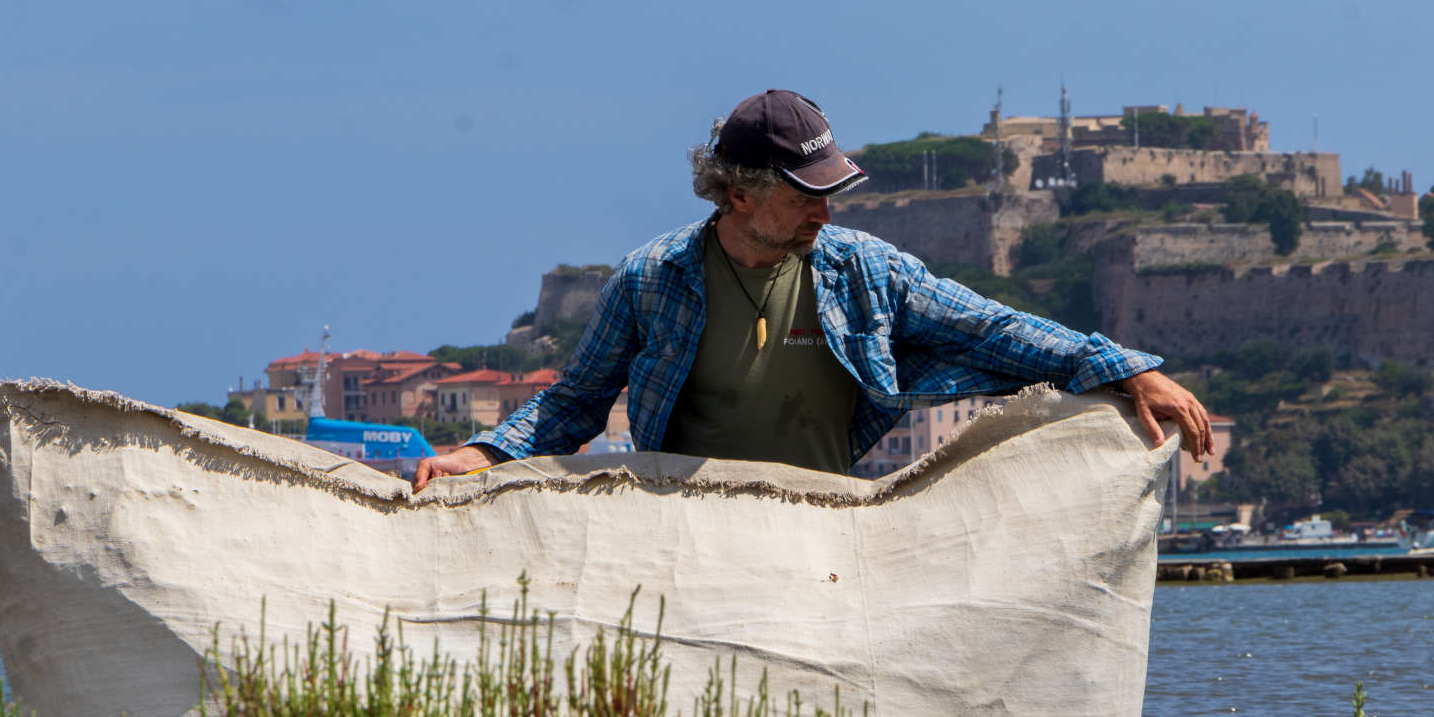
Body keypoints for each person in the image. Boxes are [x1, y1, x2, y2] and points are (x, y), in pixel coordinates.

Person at [414, 89, 1212, 490]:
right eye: (805, 197)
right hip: (686, 530)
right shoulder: (652, 279)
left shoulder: (863, 268)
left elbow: (993, 330)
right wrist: (481, 452)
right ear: (736, 196)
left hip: (830, 529)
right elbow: (574, 402)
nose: (825, 214)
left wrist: (1123, 367)